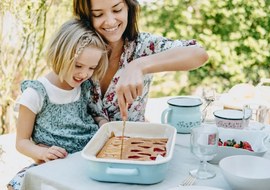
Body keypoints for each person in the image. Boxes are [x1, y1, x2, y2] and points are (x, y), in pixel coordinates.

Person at [7, 18, 108, 190]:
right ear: (60, 55)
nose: (84, 73)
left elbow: (93, 114)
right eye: (78, 65)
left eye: (92, 68)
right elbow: (22, 142)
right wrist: (42, 153)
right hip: (56, 161)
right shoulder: (36, 93)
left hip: (88, 159)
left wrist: (103, 124)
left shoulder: (84, 87)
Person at [73, 0, 209, 126]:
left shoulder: (143, 45)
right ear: (86, 16)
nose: (110, 21)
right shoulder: (75, 45)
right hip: (79, 147)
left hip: (133, 146)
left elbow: (199, 54)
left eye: (117, 10)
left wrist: (139, 65)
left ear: (128, 8)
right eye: (98, 14)